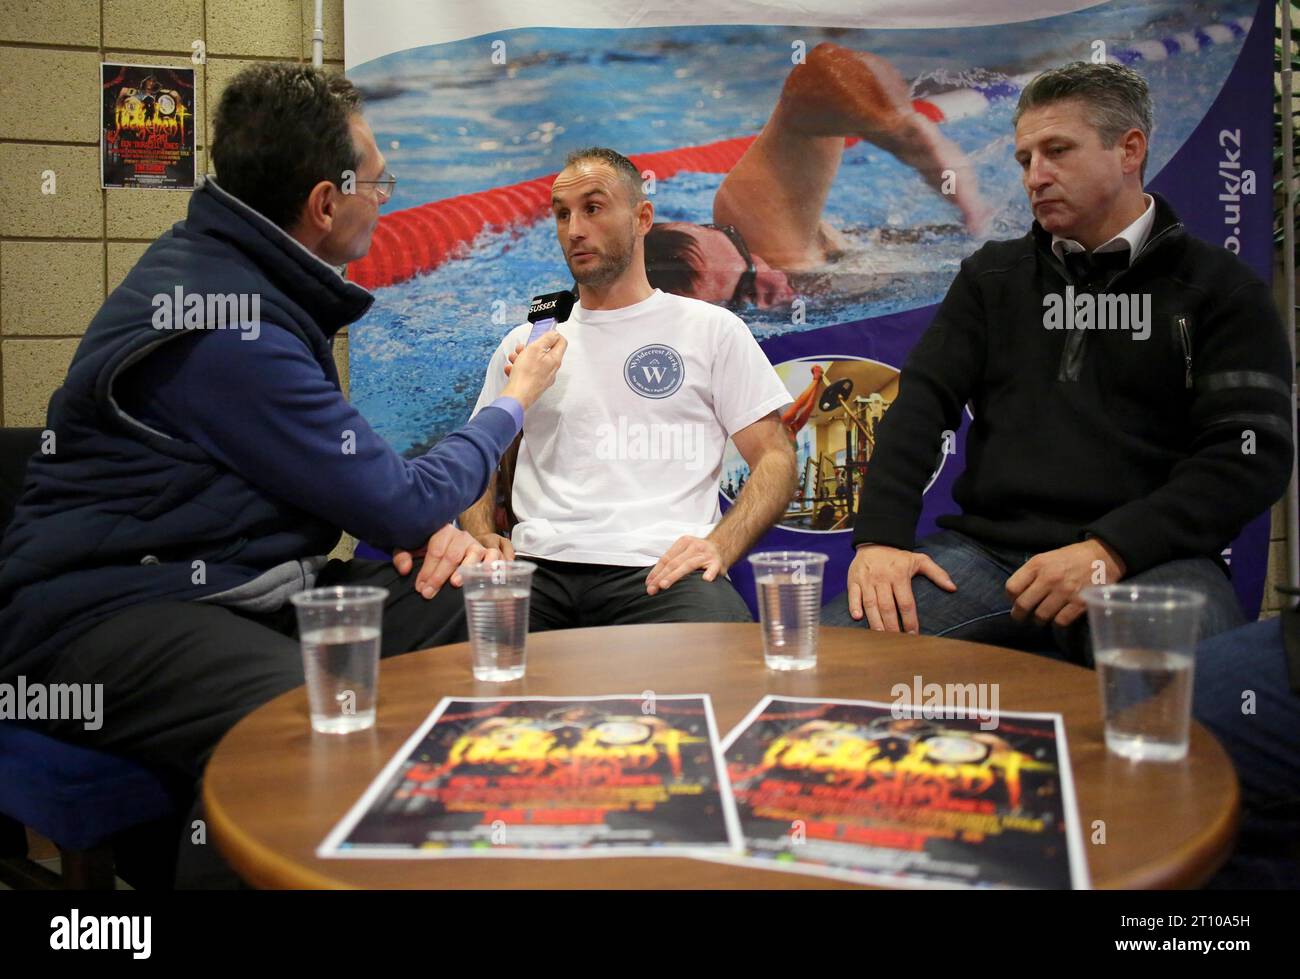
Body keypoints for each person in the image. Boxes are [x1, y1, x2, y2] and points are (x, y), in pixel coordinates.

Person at [0, 64, 565, 885]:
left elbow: (362, 484)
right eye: (379, 181)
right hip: (110, 612)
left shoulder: (245, 279)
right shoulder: (226, 324)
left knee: (481, 609)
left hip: (244, 589)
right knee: (307, 720)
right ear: (325, 203)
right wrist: (511, 404)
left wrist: (432, 533)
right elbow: (393, 495)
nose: (388, 197)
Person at [821, 61, 1293, 657]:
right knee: (831, 663)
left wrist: (1110, 550)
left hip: (1156, 561)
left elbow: (1248, 456)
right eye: (1025, 160)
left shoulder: (1221, 290)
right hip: (990, 556)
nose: (1034, 177)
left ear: (1129, 150)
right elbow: (921, 404)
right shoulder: (992, 278)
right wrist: (880, 540)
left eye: (1057, 151)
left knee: (1177, 701)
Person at [459, 146, 797, 628]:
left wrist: (720, 545)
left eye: (593, 208)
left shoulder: (712, 330)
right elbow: (476, 457)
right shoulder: (529, 343)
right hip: (536, 571)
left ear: (642, 218)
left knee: (732, 657)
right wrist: (478, 535)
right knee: (436, 634)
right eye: (562, 214)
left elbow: (776, 456)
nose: (574, 230)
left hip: (659, 572)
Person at [642, 42, 989, 308]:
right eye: (746, 288)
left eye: (732, 238)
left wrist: (901, 128)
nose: (768, 270)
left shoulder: (760, 234)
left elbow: (820, 70)